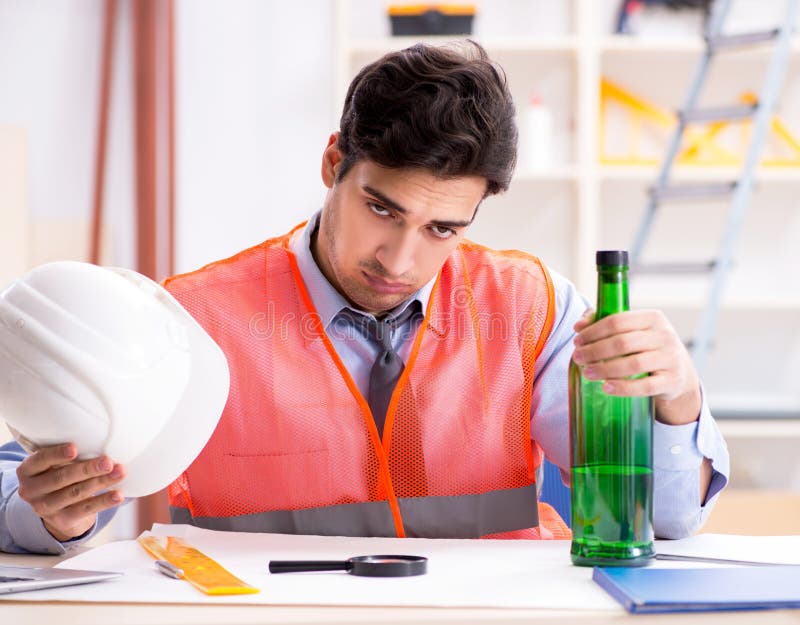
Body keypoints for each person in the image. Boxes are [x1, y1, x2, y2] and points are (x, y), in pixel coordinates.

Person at [1, 41, 729, 554]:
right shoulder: (193, 319)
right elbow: (20, 493)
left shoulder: (534, 307)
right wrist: (56, 515)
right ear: (332, 162)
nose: (401, 259)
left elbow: (664, 521)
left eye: (443, 227)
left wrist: (678, 397)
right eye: (383, 209)